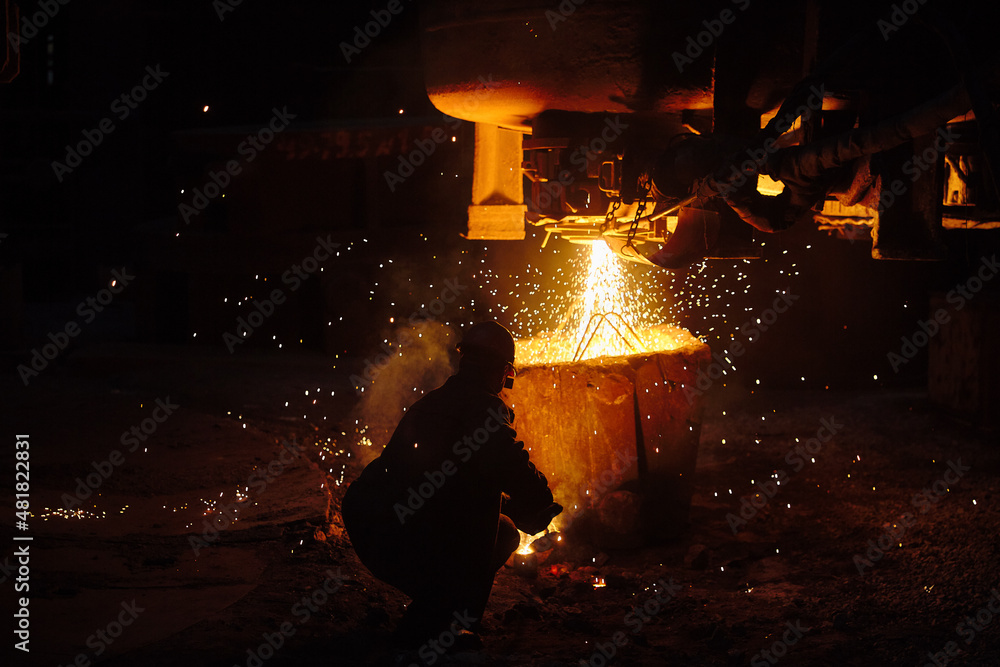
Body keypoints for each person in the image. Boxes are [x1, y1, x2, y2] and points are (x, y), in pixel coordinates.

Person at [342, 321, 562, 649]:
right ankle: (434, 629)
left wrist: (517, 503)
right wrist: (540, 505)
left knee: (481, 509)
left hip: (370, 524)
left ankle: (434, 613)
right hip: (403, 539)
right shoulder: (485, 409)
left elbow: (458, 477)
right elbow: (518, 475)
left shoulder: (433, 401)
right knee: (500, 533)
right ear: (504, 371)